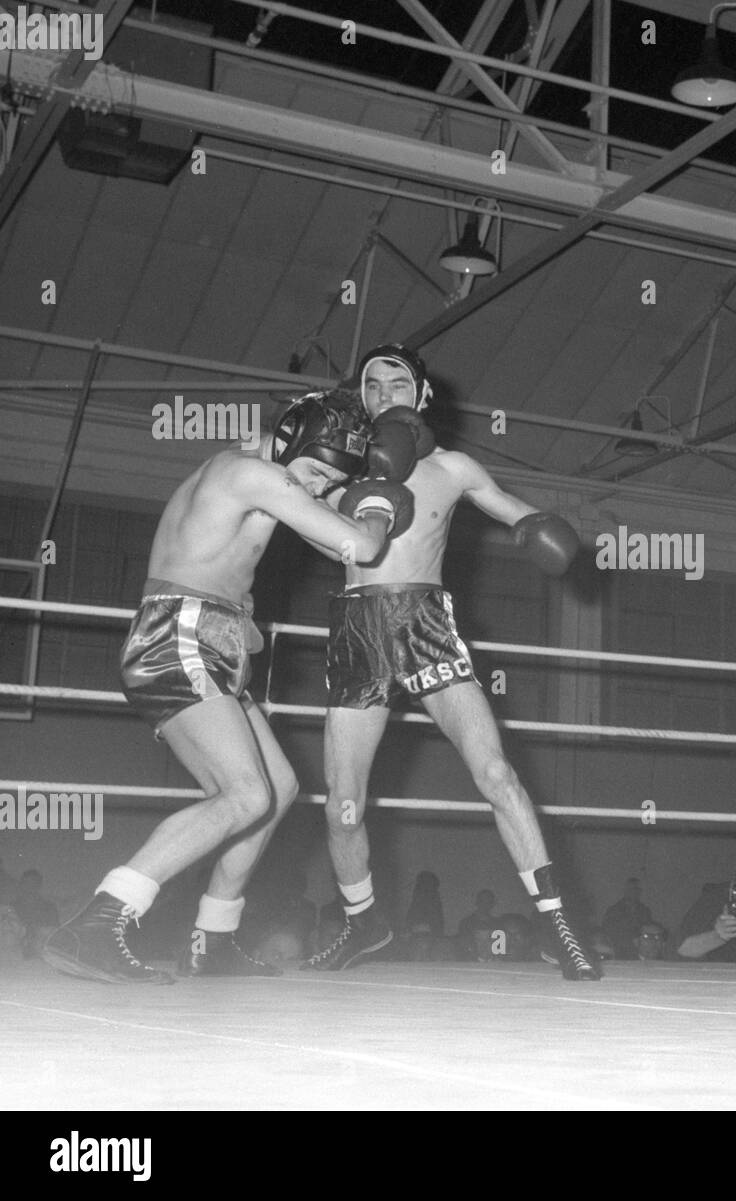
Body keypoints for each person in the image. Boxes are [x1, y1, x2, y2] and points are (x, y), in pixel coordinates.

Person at [43, 391, 400, 984]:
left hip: (209, 641)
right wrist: (382, 504)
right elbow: (360, 546)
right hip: (176, 635)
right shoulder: (246, 473)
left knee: (278, 788)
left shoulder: (268, 477)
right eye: (314, 473)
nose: (315, 489)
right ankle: (96, 923)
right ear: (288, 442)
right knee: (243, 794)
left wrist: (343, 495)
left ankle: (214, 936)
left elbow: (325, 534)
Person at [307, 345, 600, 980]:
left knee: (496, 773)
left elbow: (514, 511)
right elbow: (294, 511)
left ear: (420, 394)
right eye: (372, 384)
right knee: (343, 806)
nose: (384, 392)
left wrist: (551, 533)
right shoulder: (335, 467)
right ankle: (364, 921)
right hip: (358, 626)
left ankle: (557, 923)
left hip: (426, 625)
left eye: (396, 381)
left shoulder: (453, 468)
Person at [602, 877, 654, 959]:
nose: (635, 892)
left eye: (637, 889)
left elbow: (649, 931)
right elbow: (607, 932)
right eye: (632, 889)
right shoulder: (614, 911)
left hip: (640, 954)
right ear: (626, 891)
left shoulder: (645, 911)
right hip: (619, 952)